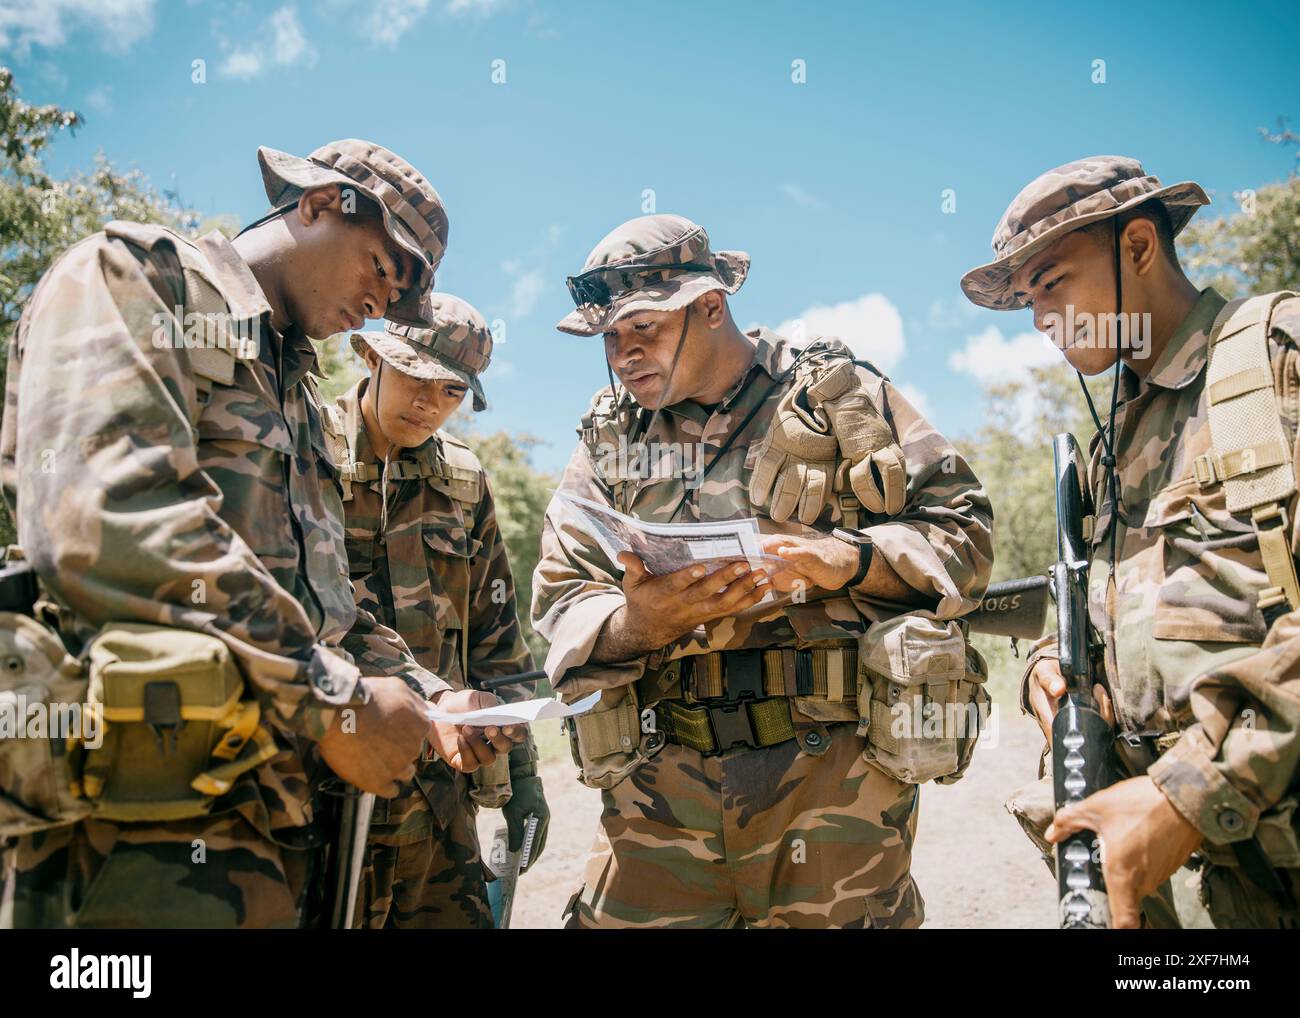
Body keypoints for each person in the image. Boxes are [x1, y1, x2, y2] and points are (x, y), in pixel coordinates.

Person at [0, 139, 514, 929]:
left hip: (274, 824)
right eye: (382, 267)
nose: (381, 304)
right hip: (134, 823)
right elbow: (108, 521)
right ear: (316, 203)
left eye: (401, 293)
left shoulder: (296, 390)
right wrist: (333, 698)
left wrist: (432, 697)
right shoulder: (138, 278)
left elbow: (325, 604)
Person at [533, 213, 994, 928]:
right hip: (659, 797)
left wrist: (848, 561)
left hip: (834, 792)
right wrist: (635, 623)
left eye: (643, 329)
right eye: (610, 339)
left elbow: (965, 537)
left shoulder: (840, 400)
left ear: (710, 307)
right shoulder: (609, 439)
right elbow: (562, 596)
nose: (624, 355)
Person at [962, 155, 1300, 929]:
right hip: (1233, 882)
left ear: (1139, 246)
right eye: (1025, 301)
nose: (1041, 318)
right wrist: (1056, 669)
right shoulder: (1119, 439)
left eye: (1051, 283)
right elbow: (1146, 614)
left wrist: (1191, 793)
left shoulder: (1275, 359)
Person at [326, 299, 547, 928]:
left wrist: (524, 775)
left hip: (441, 798)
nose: (429, 402)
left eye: (450, 389)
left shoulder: (464, 481)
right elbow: (310, 612)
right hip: (334, 782)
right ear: (370, 357)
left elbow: (496, 633)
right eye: (413, 377)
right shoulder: (305, 447)